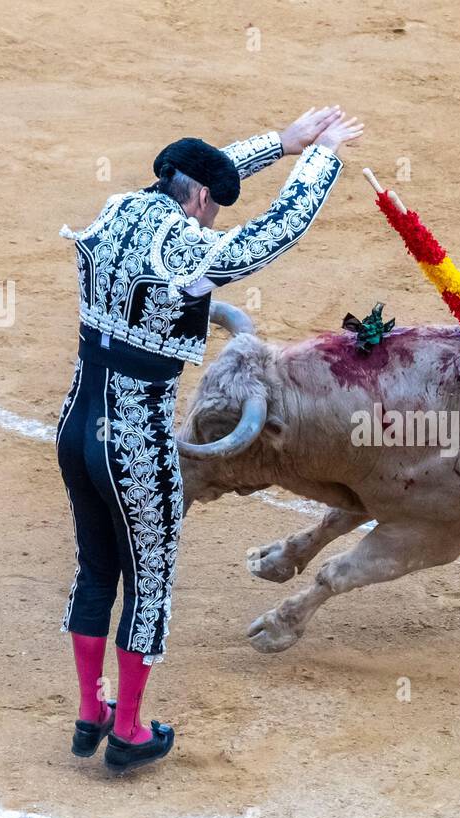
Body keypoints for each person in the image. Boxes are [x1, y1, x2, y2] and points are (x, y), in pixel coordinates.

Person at [56, 106, 364, 772]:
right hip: (133, 445)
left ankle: (91, 712)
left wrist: (281, 144)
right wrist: (321, 158)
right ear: (196, 198)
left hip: (76, 427)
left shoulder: (119, 210)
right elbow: (276, 233)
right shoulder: (187, 245)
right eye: (212, 207)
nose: (213, 218)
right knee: (150, 585)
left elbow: (200, 163)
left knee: (95, 572)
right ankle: (130, 731)